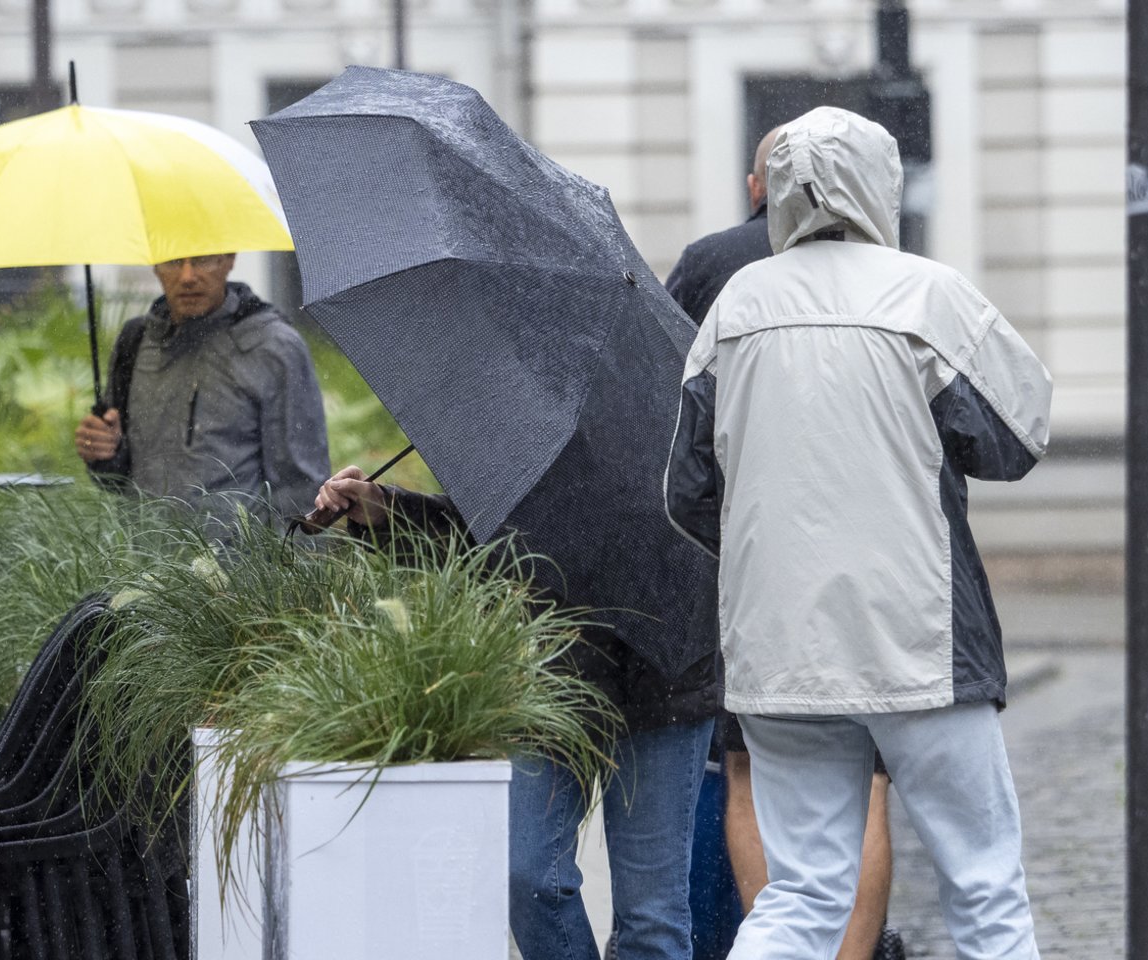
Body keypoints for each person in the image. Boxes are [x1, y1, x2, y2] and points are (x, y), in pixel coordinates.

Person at [665, 106, 1050, 959]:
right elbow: (1015, 439)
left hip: (779, 653)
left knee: (798, 896)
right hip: (921, 641)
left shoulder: (734, 307)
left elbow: (688, 491)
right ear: (881, 184)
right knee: (984, 885)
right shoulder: (925, 292)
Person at [313, 469, 720, 960]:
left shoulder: (694, 397)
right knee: (525, 876)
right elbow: (486, 528)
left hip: (667, 676)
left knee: (651, 918)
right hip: (549, 670)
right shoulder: (539, 411)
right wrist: (386, 509)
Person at [667, 125, 899, 960]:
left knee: (750, 775)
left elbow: (677, 415)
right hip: (869, 558)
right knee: (866, 783)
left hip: (754, 562)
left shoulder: (711, 268)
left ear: (756, 183)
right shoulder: (893, 274)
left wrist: (719, 537)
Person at [74, 253, 330, 525]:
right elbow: (117, 480)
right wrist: (104, 453)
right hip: (145, 561)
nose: (187, 277)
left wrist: (292, 563)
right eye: (173, 261)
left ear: (229, 259)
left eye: (202, 259)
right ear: (155, 265)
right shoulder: (136, 339)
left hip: (241, 562)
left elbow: (300, 486)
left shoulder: (274, 348)